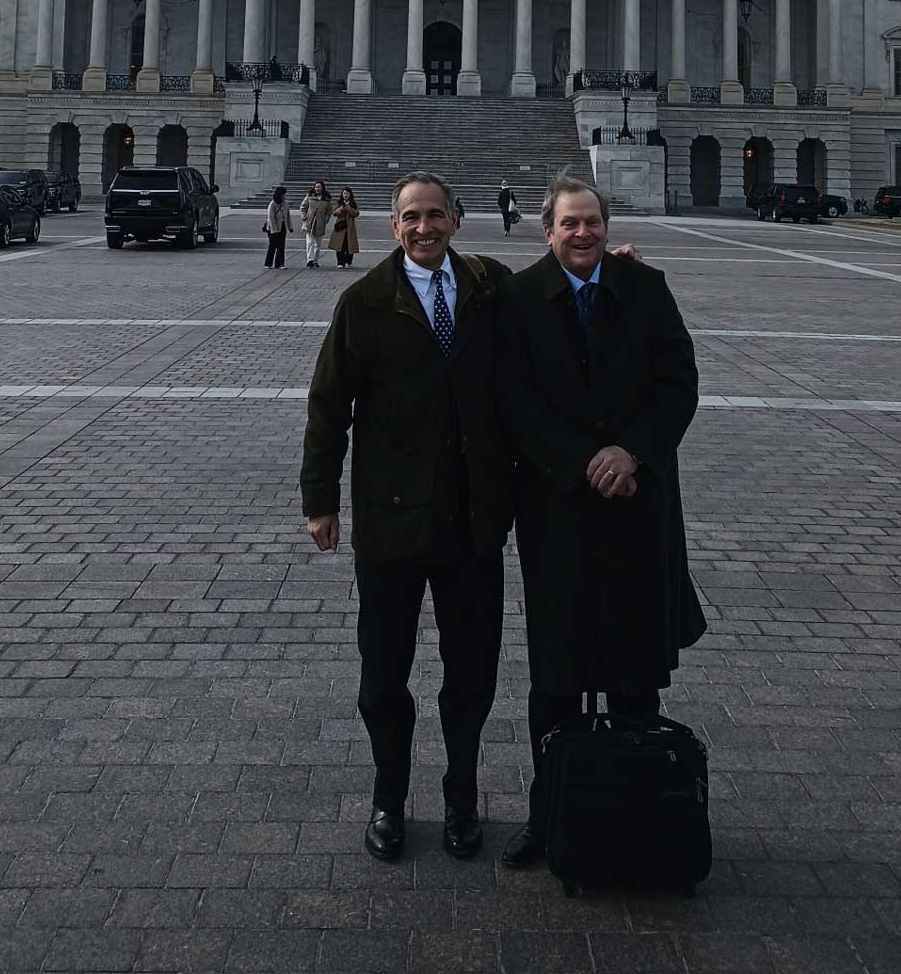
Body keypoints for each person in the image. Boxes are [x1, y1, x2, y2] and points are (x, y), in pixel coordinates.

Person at [300, 173, 514, 865]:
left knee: (472, 673)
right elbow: (328, 407)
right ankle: (389, 798)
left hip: (473, 520)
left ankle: (460, 796)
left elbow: (558, 306)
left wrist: (617, 271)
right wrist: (320, 500)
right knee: (384, 676)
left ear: (457, 218)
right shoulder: (363, 302)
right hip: (392, 520)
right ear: (393, 226)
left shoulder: (490, 289)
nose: (425, 228)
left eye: (436, 216)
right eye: (411, 218)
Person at [495, 169, 705, 869]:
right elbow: (514, 400)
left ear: (607, 228)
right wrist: (584, 459)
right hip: (559, 508)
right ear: (546, 230)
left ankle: (638, 810)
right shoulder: (520, 297)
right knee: (555, 675)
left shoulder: (646, 288)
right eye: (569, 224)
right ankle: (548, 815)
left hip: (635, 504)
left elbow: (679, 382)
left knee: (634, 668)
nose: (583, 234)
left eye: (593, 222)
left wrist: (632, 452)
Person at [301, 181, 333, 268]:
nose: (317, 189)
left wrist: (326, 219)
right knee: (309, 242)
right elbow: (303, 207)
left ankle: (315, 260)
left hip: (320, 224)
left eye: (319, 187)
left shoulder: (326, 199)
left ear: (322, 188)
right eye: (316, 187)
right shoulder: (310, 196)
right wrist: (304, 216)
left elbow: (329, 211)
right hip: (310, 222)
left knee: (317, 244)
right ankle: (309, 260)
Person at [329, 187, 361, 268]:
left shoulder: (353, 203)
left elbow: (356, 213)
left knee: (349, 246)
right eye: (344, 193)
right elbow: (334, 212)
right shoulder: (339, 202)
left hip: (350, 229)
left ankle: (349, 261)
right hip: (341, 228)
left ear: (350, 194)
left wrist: (348, 208)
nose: (345, 195)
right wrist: (341, 208)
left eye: (347, 193)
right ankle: (340, 262)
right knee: (340, 246)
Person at [263, 186, 291, 268]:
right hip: (272, 228)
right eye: (284, 194)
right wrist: (274, 230)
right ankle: (268, 263)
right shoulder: (273, 204)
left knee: (281, 246)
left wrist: (290, 227)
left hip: (282, 226)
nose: (285, 196)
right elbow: (271, 217)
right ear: (280, 194)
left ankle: (279, 264)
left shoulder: (285, 204)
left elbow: (287, 216)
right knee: (273, 245)